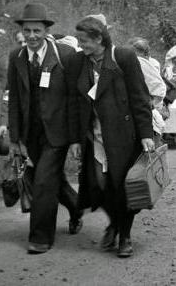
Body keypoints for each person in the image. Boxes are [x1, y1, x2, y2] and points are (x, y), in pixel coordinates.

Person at [65, 15, 155, 258]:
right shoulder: (77, 62)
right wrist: (74, 139)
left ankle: (124, 235)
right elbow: (74, 103)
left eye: (85, 40)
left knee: (122, 187)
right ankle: (115, 222)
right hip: (93, 137)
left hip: (122, 136)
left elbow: (140, 97)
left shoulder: (123, 57)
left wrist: (146, 134)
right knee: (98, 186)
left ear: (99, 38)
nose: (81, 45)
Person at [7, 3, 82, 254]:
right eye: (27, 31)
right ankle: (75, 206)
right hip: (31, 133)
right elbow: (15, 99)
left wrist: (75, 138)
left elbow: (74, 98)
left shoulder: (65, 55)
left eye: (36, 31)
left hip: (57, 133)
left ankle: (40, 237)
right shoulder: (16, 57)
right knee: (51, 181)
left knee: (42, 183)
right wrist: (15, 137)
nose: (31, 36)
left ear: (46, 30)